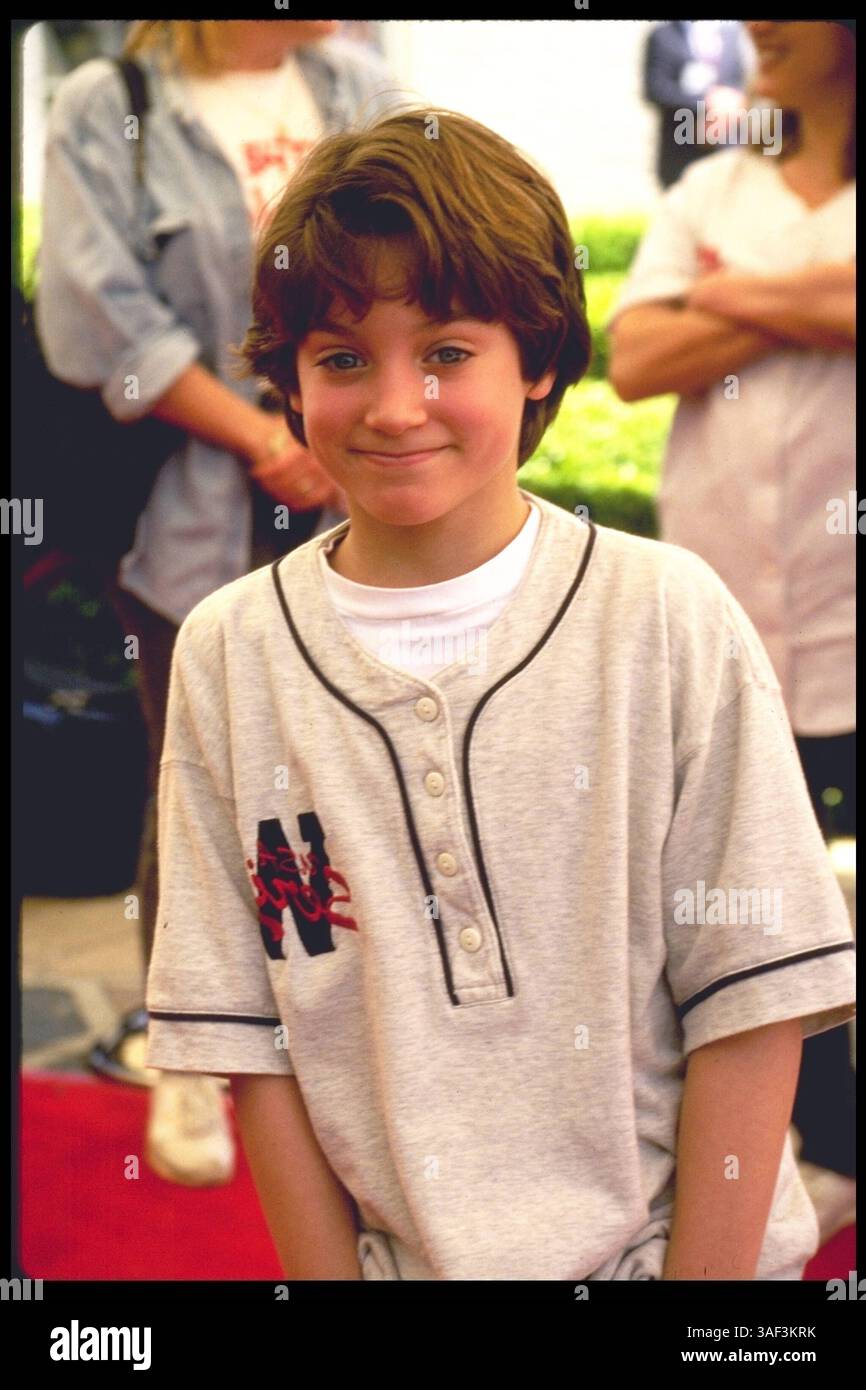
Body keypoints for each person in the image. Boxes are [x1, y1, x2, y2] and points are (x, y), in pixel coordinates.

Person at [141, 103, 855, 1280]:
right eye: (339, 357)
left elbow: (751, 1002)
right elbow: (250, 1039)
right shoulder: (229, 653)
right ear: (287, 377)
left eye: (446, 352)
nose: (393, 404)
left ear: (538, 359)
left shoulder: (667, 615)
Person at [35, 18, 400, 1186]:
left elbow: (424, 267)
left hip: (359, 498)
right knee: (194, 781)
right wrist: (261, 435)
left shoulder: (358, 82)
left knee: (352, 774)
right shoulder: (115, 99)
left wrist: (337, 430)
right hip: (192, 514)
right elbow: (99, 328)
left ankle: (343, 1038)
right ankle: (188, 1049)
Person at [608, 18, 856, 1245]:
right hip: (722, 623)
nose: (754, 25)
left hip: (845, 614)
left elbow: (682, 321)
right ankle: (779, 1149)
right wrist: (818, 303)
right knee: (735, 906)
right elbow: (636, 355)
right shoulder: (712, 176)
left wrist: (723, 289)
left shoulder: (719, 225)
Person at [643, 20, 747, 189]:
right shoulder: (664, 35)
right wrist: (706, 102)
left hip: (723, 147)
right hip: (679, 150)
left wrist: (729, 108)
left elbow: (737, 83)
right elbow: (656, 89)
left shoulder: (730, 35)